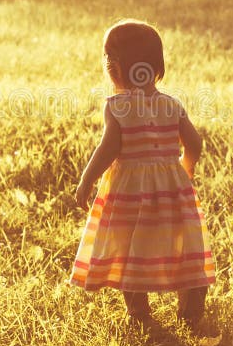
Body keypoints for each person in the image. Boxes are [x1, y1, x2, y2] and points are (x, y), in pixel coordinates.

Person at [69, 19, 216, 329]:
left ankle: (139, 313)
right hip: (172, 191)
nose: (106, 63)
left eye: (108, 56)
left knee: (129, 248)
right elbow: (194, 142)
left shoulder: (118, 107)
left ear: (116, 66)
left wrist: (87, 179)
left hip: (130, 194)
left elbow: (109, 148)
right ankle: (191, 306)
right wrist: (186, 167)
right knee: (183, 244)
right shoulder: (172, 105)